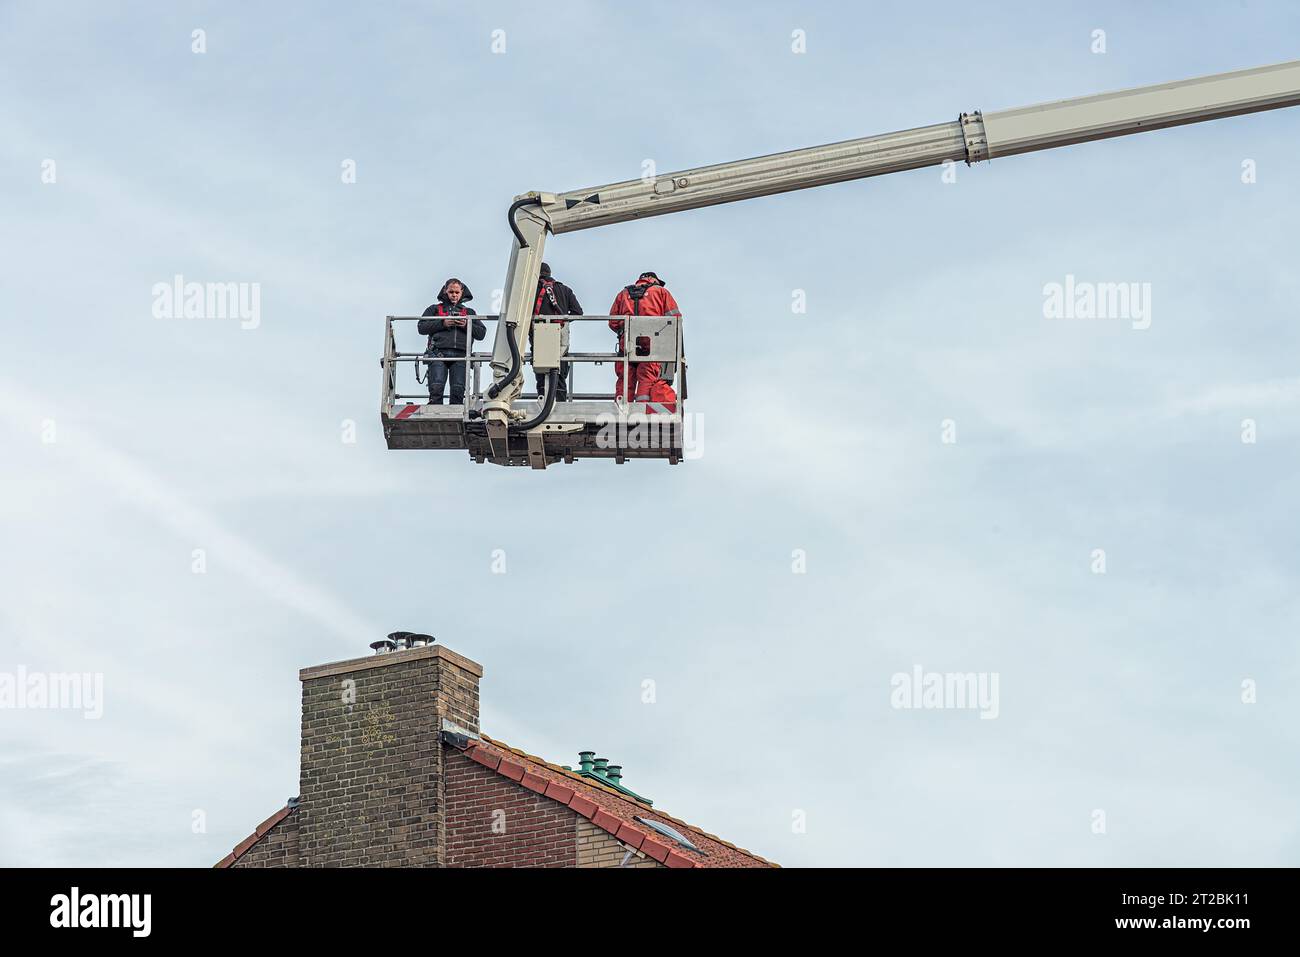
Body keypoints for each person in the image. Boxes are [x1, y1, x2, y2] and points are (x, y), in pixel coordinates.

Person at [608, 271, 680, 412]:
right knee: (647, 377)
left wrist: (624, 331)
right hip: (651, 343)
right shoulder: (661, 292)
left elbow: (612, 322)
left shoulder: (623, 294)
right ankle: (642, 409)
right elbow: (675, 319)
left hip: (627, 342)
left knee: (625, 377)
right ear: (653, 280)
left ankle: (621, 409)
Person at [417, 278, 486, 404]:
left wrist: (466, 324)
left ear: (462, 292)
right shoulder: (434, 309)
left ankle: (457, 418)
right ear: (445, 291)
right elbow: (421, 327)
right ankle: (434, 415)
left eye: (457, 292)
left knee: (458, 390)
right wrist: (442, 323)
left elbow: (481, 333)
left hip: (461, 356)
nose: (454, 295)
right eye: (451, 292)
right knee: (436, 388)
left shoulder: (469, 313)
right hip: (438, 354)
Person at [529, 262, 583, 401]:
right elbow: (578, 312)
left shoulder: (530, 290)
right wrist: (561, 319)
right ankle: (560, 401)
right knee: (559, 371)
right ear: (549, 273)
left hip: (538, 336)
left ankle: (542, 399)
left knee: (541, 371)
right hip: (560, 338)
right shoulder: (564, 290)